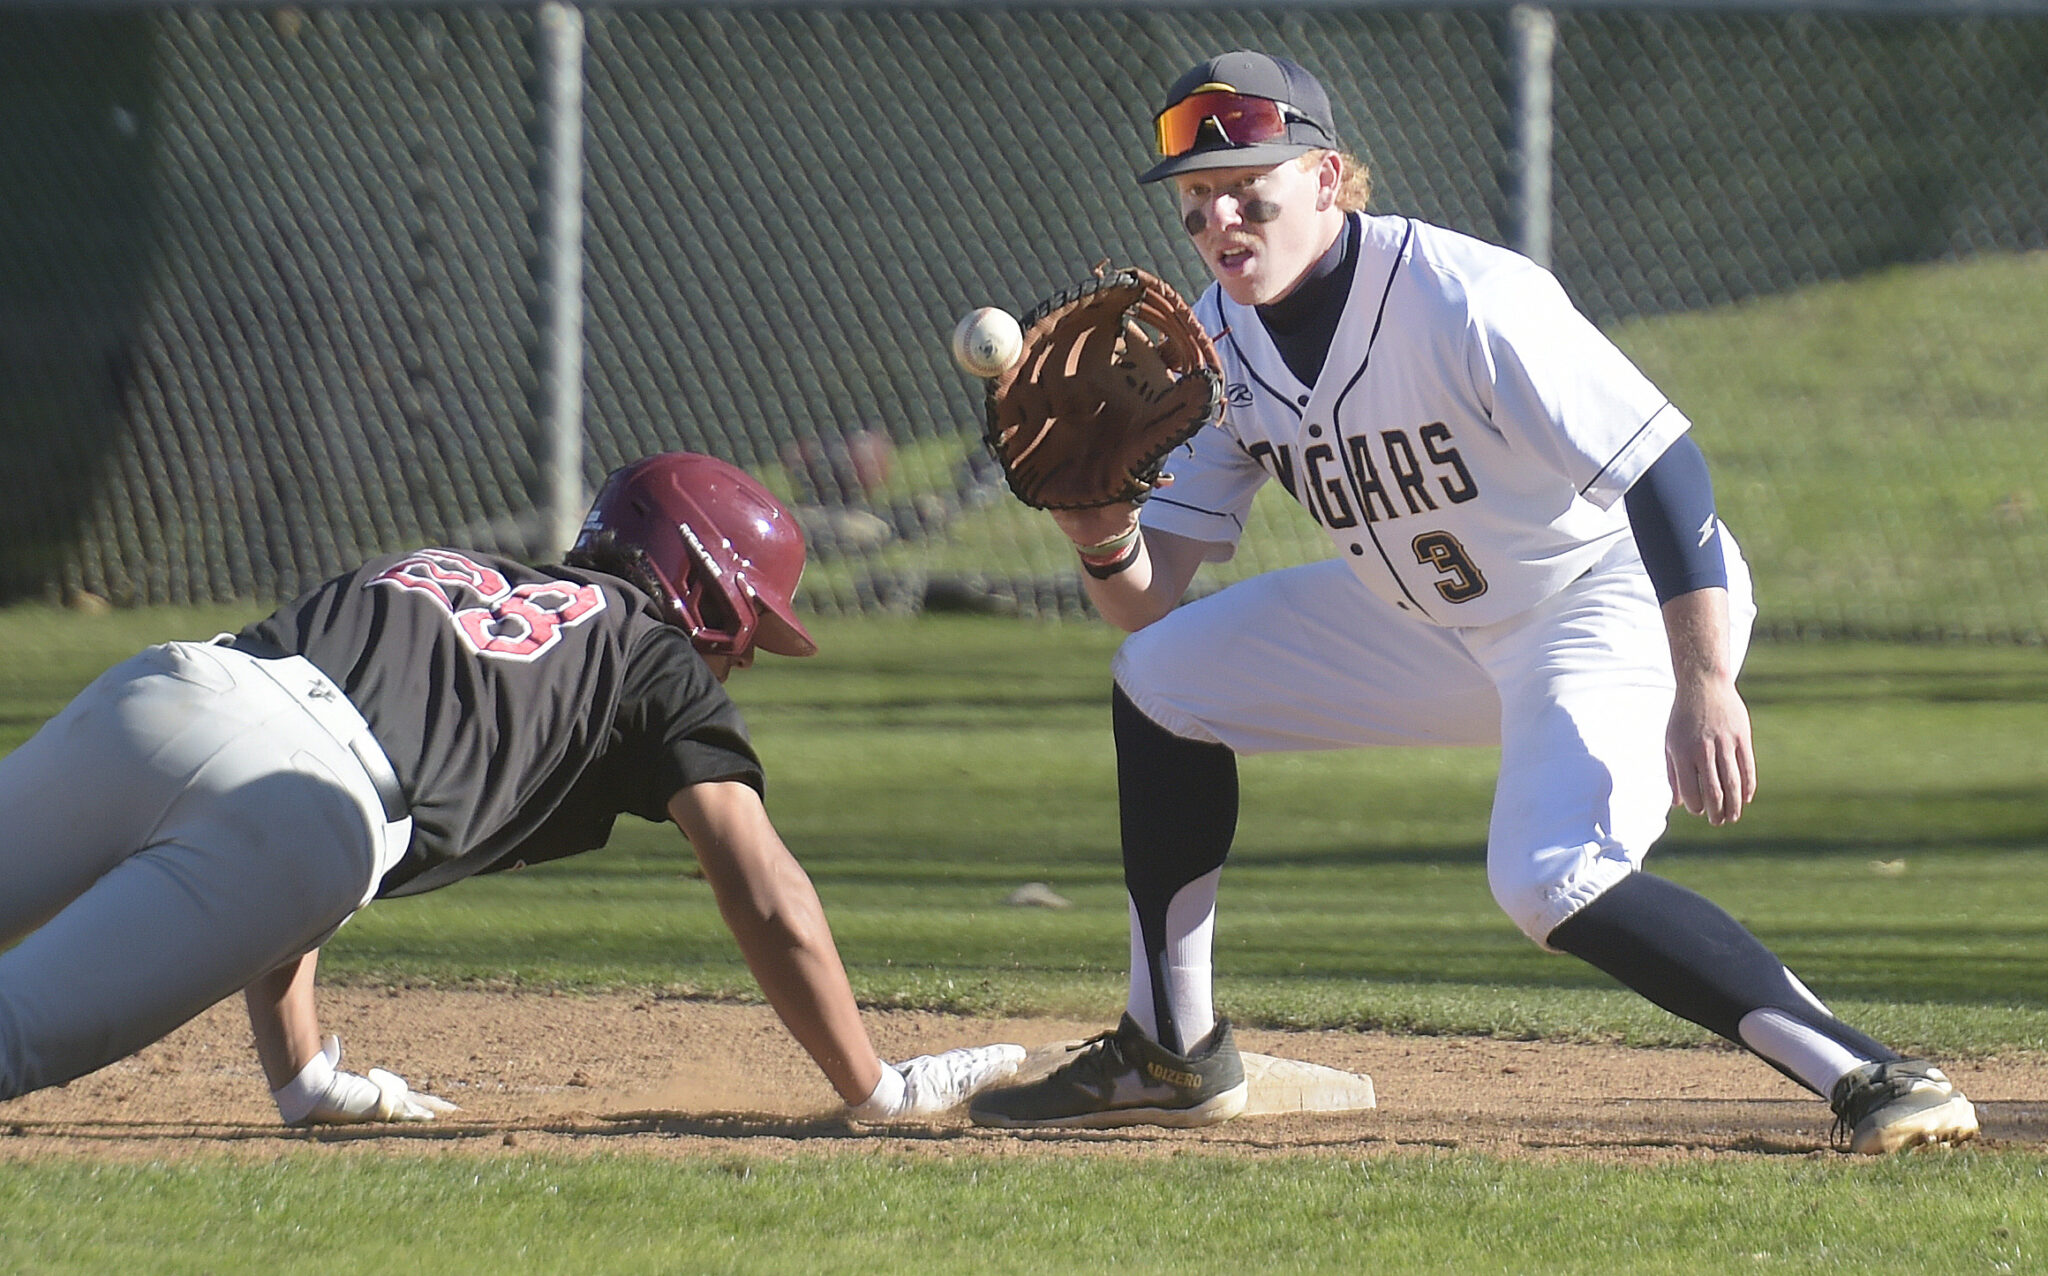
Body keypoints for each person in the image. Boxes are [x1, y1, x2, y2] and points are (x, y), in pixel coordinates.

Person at [967, 51, 1978, 1154]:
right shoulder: (1211, 349)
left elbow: (1663, 468)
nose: (1218, 218)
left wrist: (1704, 682)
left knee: (1550, 876)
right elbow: (1145, 602)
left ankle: (1871, 1071)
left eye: (1246, 188)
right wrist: (1098, 531)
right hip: (1422, 615)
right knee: (1161, 682)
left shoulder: (1464, 299)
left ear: (1326, 176)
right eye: (1196, 200)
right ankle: (1171, 1049)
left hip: (1598, 599)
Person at [0, 451, 1022, 1126]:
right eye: (745, 630)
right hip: (309, 815)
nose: (740, 661)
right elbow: (764, 889)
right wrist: (872, 1086)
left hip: (172, 687)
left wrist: (303, 1079)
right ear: (703, 597)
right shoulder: (651, 659)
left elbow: (273, 739)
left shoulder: (438, 566)